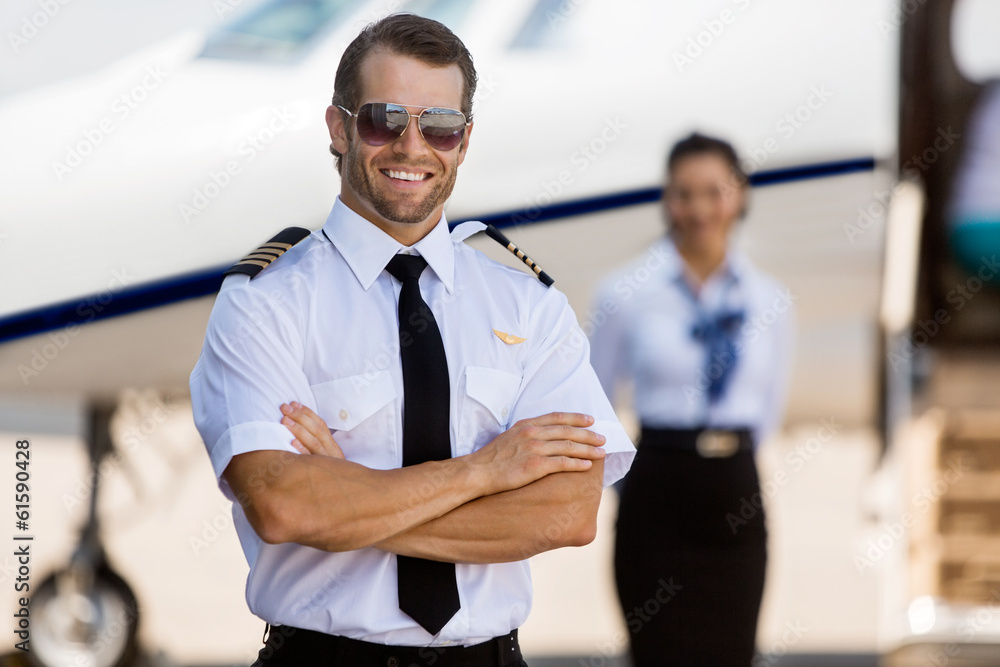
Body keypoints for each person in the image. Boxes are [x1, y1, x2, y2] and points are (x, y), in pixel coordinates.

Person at [189, 14, 634, 667]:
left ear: (465, 139)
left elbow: (567, 511)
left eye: (441, 126)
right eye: (383, 120)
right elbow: (284, 506)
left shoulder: (530, 307)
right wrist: (486, 471)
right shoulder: (263, 306)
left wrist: (348, 497)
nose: (412, 146)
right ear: (338, 128)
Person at [589, 133, 794, 666]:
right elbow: (594, 403)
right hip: (656, 494)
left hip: (735, 496)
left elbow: (770, 408)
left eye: (714, 191)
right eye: (684, 193)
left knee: (732, 652)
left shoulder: (768, 297)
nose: (699, 208)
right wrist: (628, 487)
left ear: (741, 195)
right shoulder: (626, 292)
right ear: (666, 199)